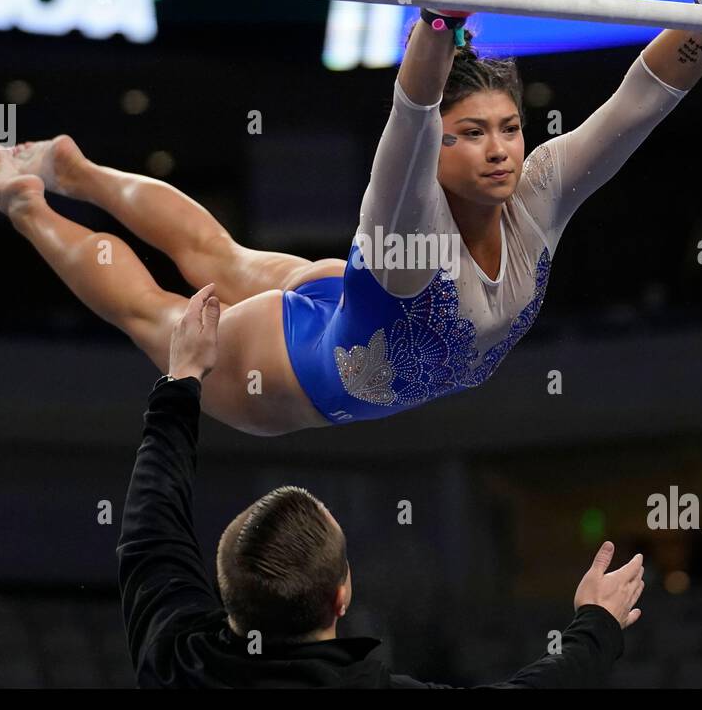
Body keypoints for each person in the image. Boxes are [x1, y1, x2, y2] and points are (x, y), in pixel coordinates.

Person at [0, 0, 702, 436]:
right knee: (158, 315)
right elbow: (412, 106)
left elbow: (645, 97)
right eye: (473, 135)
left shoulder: (541, 191)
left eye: (507, 129)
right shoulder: (401, 222)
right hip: (278, 372)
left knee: (225, 258)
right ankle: (30, 199)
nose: (498, 151)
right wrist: (447, 0)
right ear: (439, 151)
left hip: (350, 316)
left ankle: (75, 169)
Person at [118, 284, 645, 687]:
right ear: (342, 595)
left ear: (224, 588)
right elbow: (149, 533)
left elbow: (151, 531)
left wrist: (183, 377)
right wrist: (598, 621)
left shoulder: (176, 662)